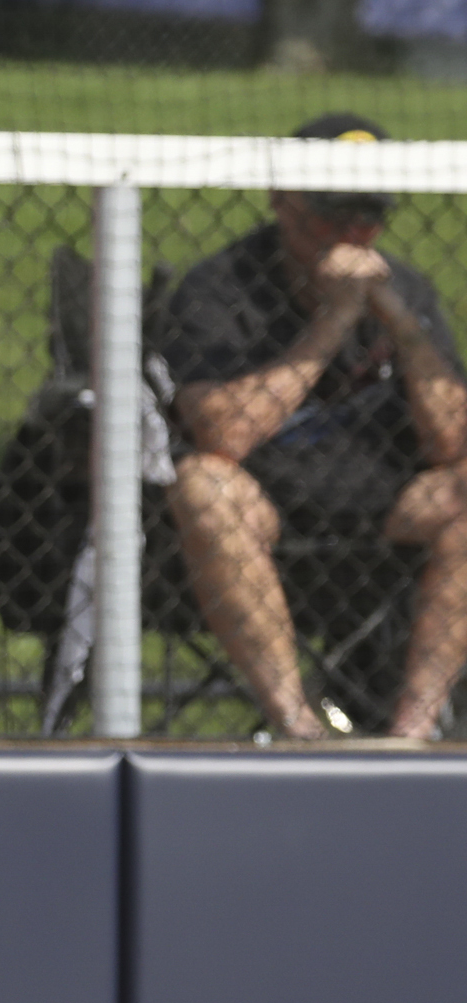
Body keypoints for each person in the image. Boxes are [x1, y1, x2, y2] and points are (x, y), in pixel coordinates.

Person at [163, 112, 467, 740]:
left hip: (382, 508)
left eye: (369, 217)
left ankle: (413, 733)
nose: (353, 236)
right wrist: (332, 322)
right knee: (203, 484)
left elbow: (452, 442)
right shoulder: (220, 289)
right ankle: (298, 727)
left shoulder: (402, 287)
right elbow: (224, 435)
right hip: (266, 510)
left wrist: (401, 326)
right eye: (332, 217)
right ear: (282, 200)